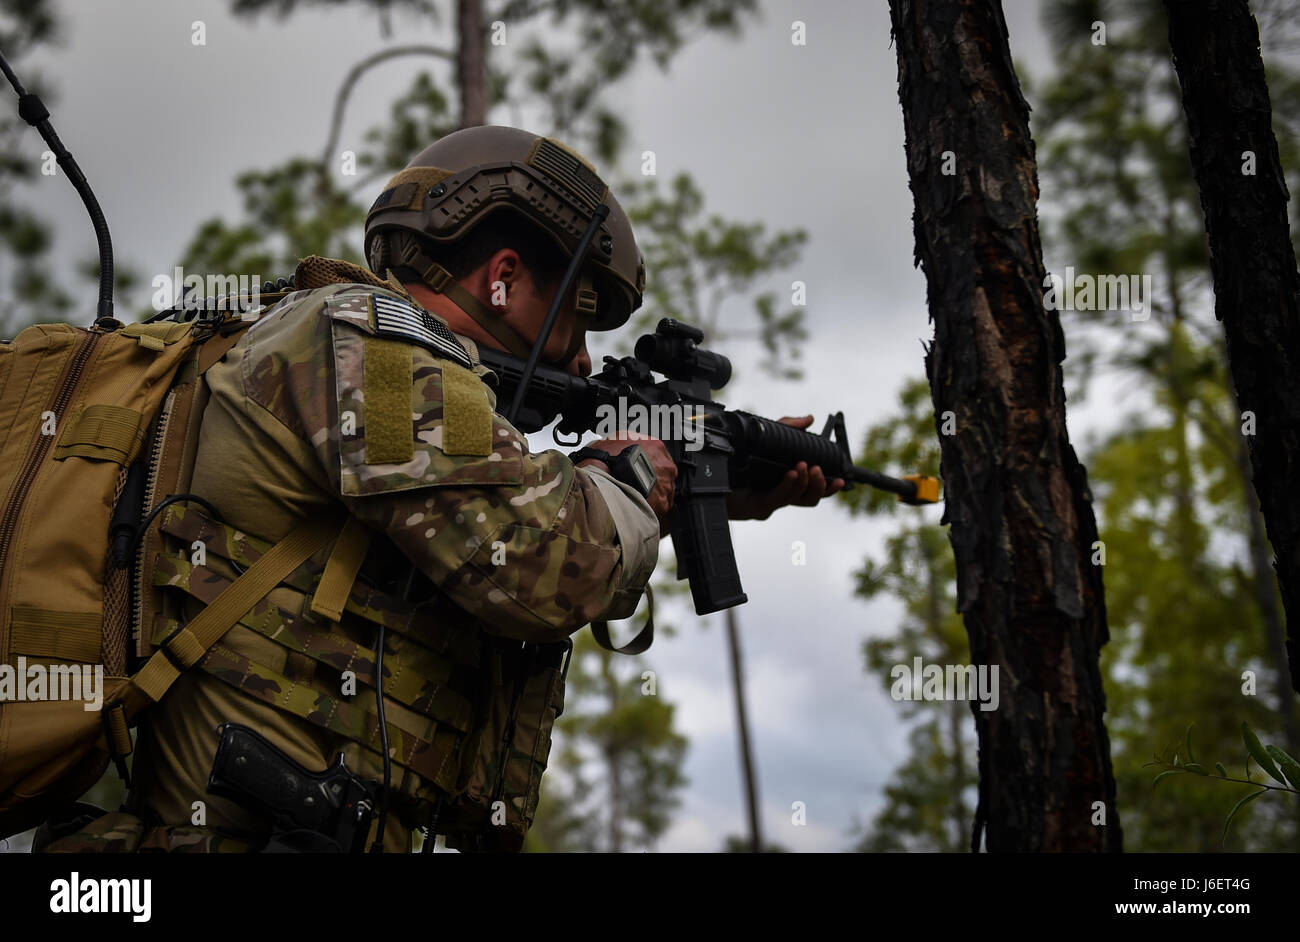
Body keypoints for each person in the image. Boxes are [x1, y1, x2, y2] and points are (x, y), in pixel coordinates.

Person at [49, 125, 840, 853]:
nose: (585, 363)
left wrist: (705, 488)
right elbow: (543, 565)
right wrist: (635, 472)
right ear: (503, 278)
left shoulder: (313, 336)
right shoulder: (370, 342)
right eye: (576, 318)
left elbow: (474, 512)